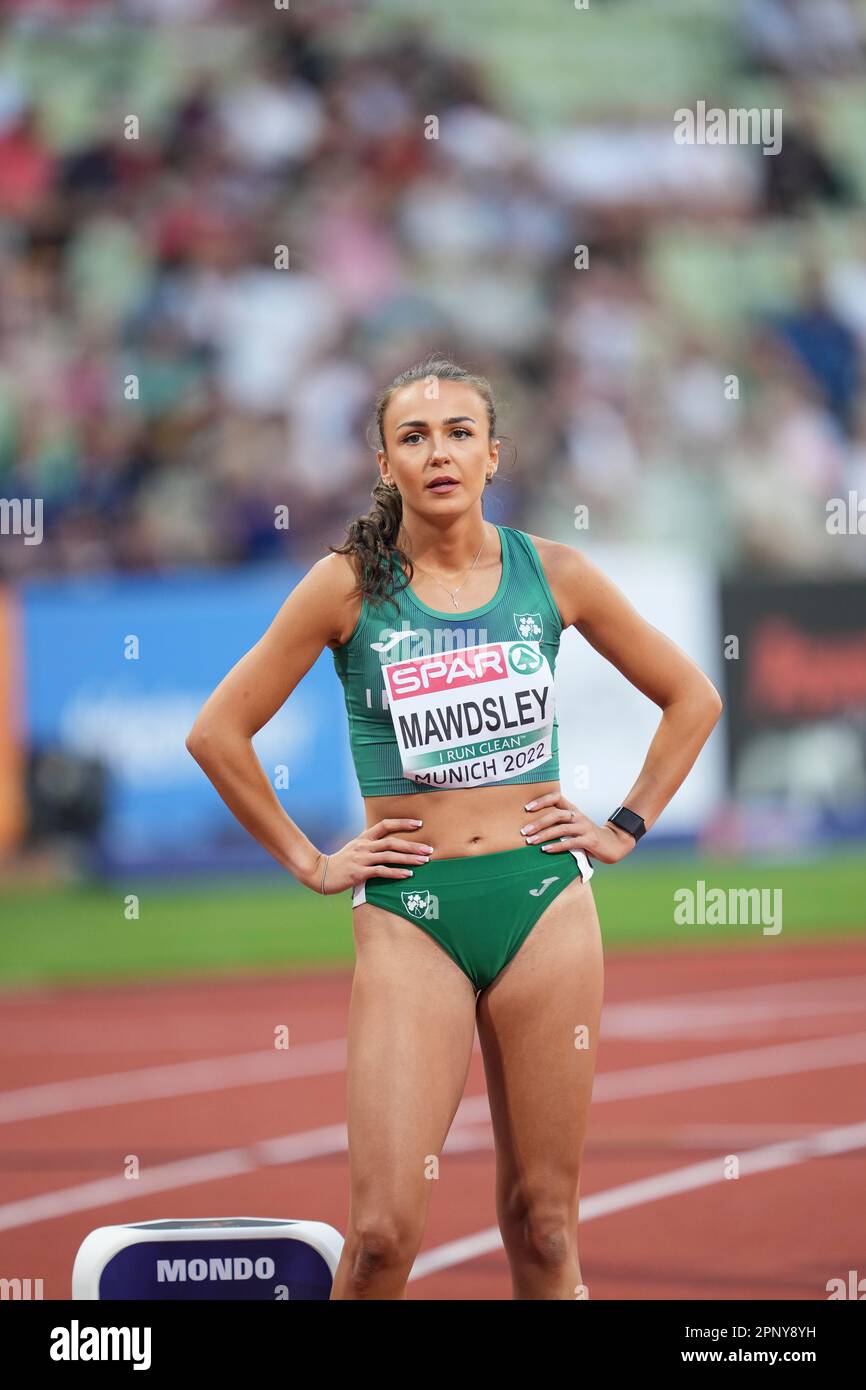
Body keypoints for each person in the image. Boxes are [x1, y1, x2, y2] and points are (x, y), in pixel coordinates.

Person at [185, 354, 723, 1300]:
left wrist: (626, 823)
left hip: (544, 908)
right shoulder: (345, 586)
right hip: (409, 920)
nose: (440, 452)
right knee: (384, 1237)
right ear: (384, 465)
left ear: (493, 456)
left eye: (460, 433)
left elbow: (692, 697)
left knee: (546, 1229)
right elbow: (217, 733)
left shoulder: (553, 573)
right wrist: (312, 862)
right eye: (414, 436)